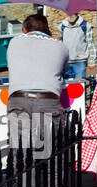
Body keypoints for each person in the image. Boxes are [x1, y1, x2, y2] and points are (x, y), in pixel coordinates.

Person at [6, 14, 70, 178]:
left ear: (24, 29)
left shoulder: (14, 42)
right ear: (47, 30)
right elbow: (63, 71)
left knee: (21, 152)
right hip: (47, 101)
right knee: (50, 151)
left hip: (18, 99)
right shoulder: (60, 46)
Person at [58, 11, 90, 80]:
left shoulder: (85, 25)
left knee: (80, 86)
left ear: (77, 13)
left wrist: (92, 61)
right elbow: (60, 44)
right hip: (66, 62)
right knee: (66, 86)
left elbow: (90, 43)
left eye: (74, 12)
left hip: (80, 62)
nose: (71, 15)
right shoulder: (62, 27)